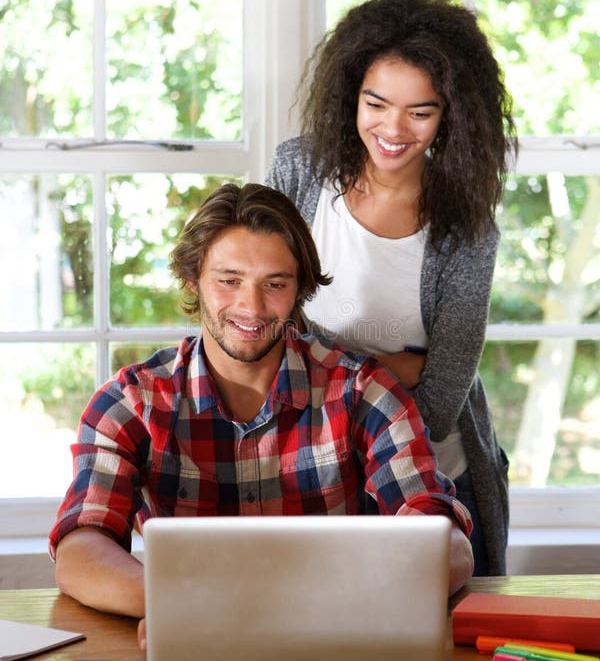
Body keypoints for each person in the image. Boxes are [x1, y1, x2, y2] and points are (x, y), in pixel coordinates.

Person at [50, 182, 473, 635]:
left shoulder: (362, 390)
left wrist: (322, 603)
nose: (251, 307)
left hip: (332, 636)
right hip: (193, 636)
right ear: (193, 280)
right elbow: (81, 549)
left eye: (274, 284)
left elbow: (446, 543)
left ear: (299, 291)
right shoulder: (129, 403)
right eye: (228, 281)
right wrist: (190, 605)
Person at [266, 0, 518, 576]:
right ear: (350, 94)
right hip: (315, 483)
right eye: (376, 103)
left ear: (450, 115)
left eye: (420, 111)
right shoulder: (298, 171)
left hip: (439, 485)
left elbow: (439, 400)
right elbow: (266, 332)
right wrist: (397, 366)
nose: (393, 128)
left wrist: (329, 364)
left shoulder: (468, 229)